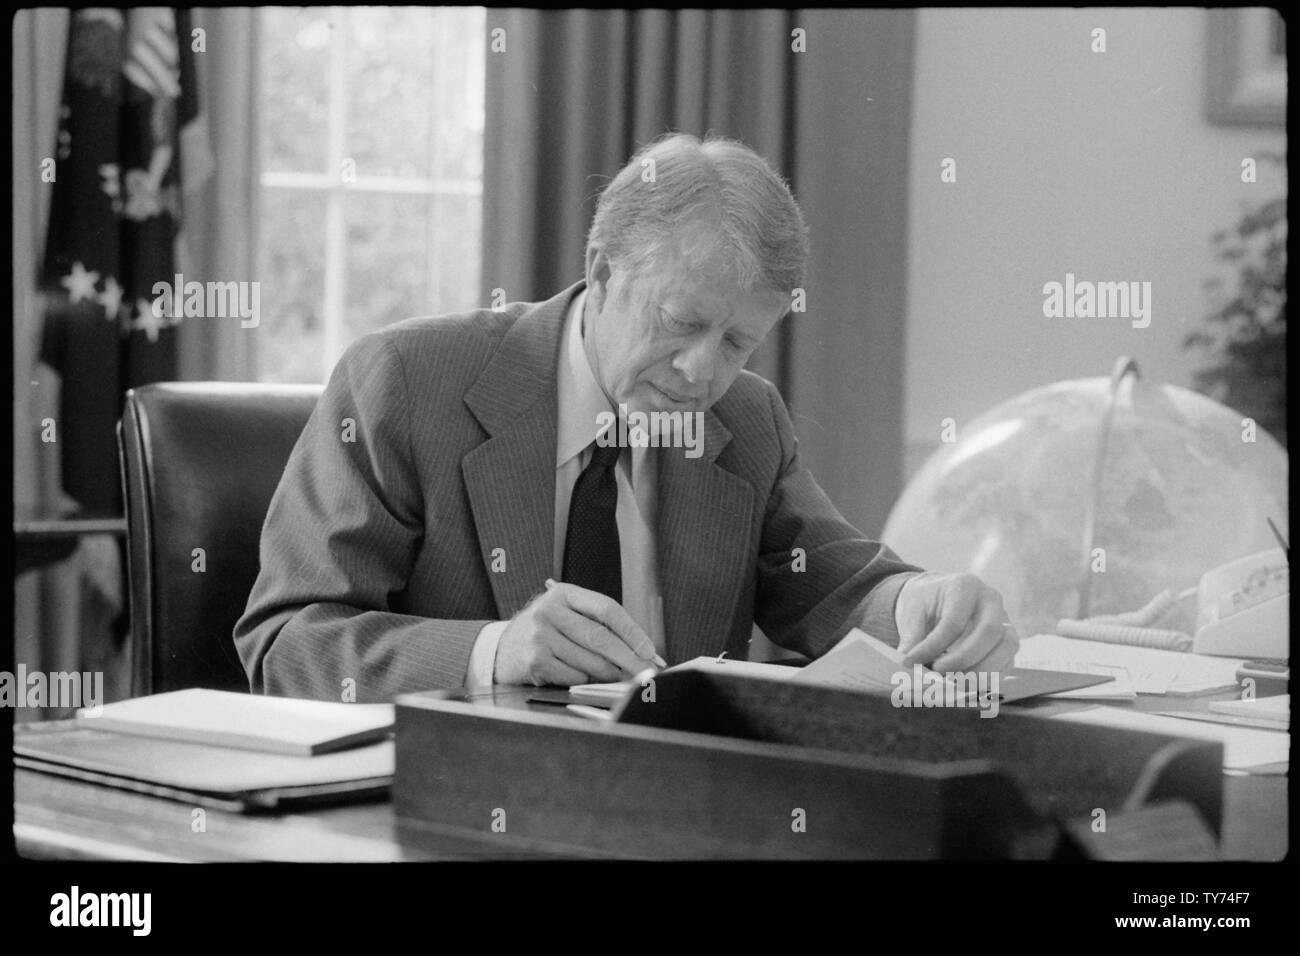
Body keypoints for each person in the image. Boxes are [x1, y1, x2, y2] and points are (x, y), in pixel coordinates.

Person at [234, 132, 1019, 702]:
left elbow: (835, 586)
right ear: (602, 271)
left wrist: (922, 607)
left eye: (739, 341)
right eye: (681, 323)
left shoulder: (746, 421)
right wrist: (494, 651)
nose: (702, 373)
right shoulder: (404, 384)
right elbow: (285, 645)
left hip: (670, 813)